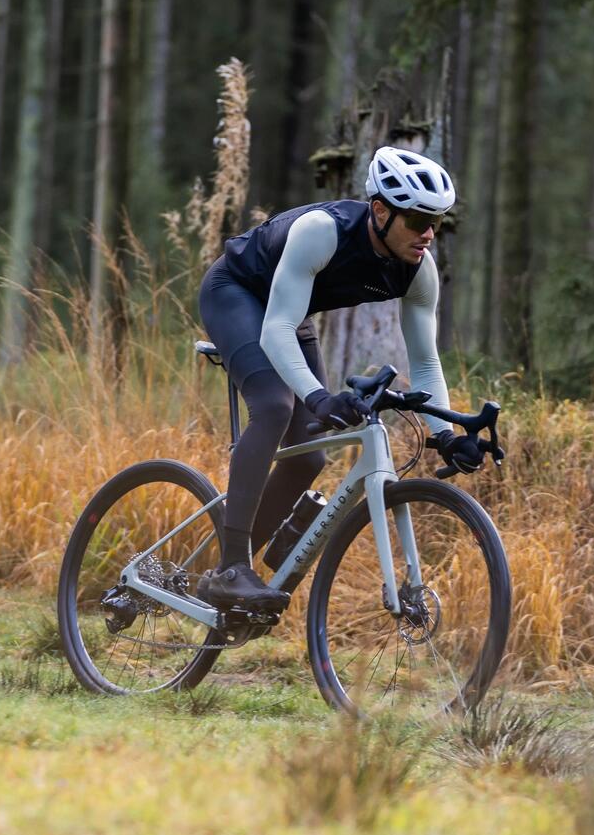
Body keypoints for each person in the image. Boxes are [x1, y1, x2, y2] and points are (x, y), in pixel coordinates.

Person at [194, 146, 486, 611]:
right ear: (380, 211)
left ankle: (229, 570)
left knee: (311, 455)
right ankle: (231, 568)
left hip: (290, 311)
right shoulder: (322, 231)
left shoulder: (418, 270)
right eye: (416, 221)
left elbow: (426, 361)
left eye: (438, 223)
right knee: (274, 407)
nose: (428, 234)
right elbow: (276, 329)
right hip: (238, 293)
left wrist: (446, 436)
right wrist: (317, 396)